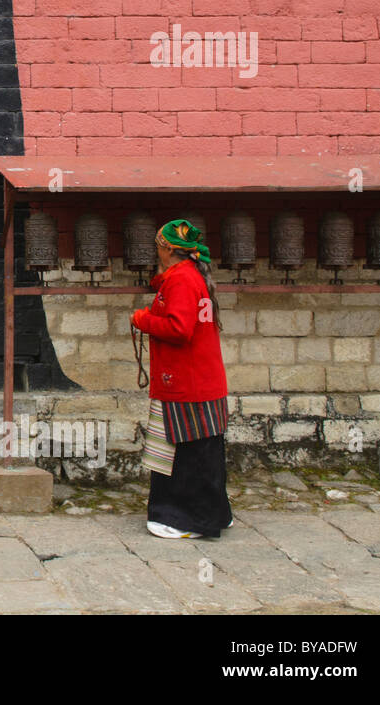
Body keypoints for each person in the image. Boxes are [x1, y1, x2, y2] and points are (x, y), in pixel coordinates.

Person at [130, 219, 233, 539]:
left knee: (184, 456)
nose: (156, 252)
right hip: (197, 379)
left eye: (158, 246)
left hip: (186, 382)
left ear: (167, 249)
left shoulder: (181, 280)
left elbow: (179, 328)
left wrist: (142, 318)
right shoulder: (190, 276)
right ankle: (213, 511)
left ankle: (185, 519)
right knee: (202, 453)